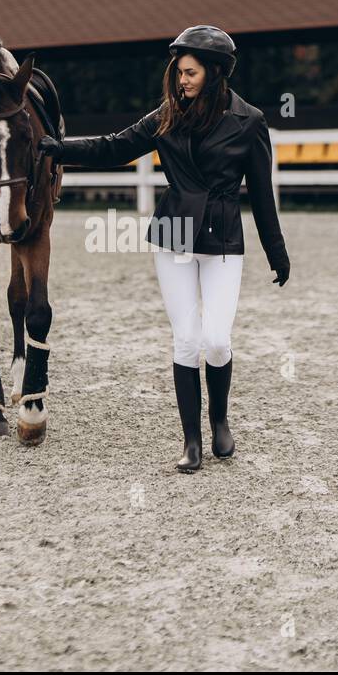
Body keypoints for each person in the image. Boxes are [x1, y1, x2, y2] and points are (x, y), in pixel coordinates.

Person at [38, 25, 290, 473]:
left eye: (190, 73)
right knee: (186, 338)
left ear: (215, 72)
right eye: (178, 73)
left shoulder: (249, 121)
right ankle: (191, 442)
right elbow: (113, 147)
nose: (181, 81)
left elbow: (262, 193)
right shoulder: (165, 116)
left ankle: (220, 420)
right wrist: (58, 149)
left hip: (223, 239)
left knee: (216, 339)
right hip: (173, 233)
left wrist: (276, 250)